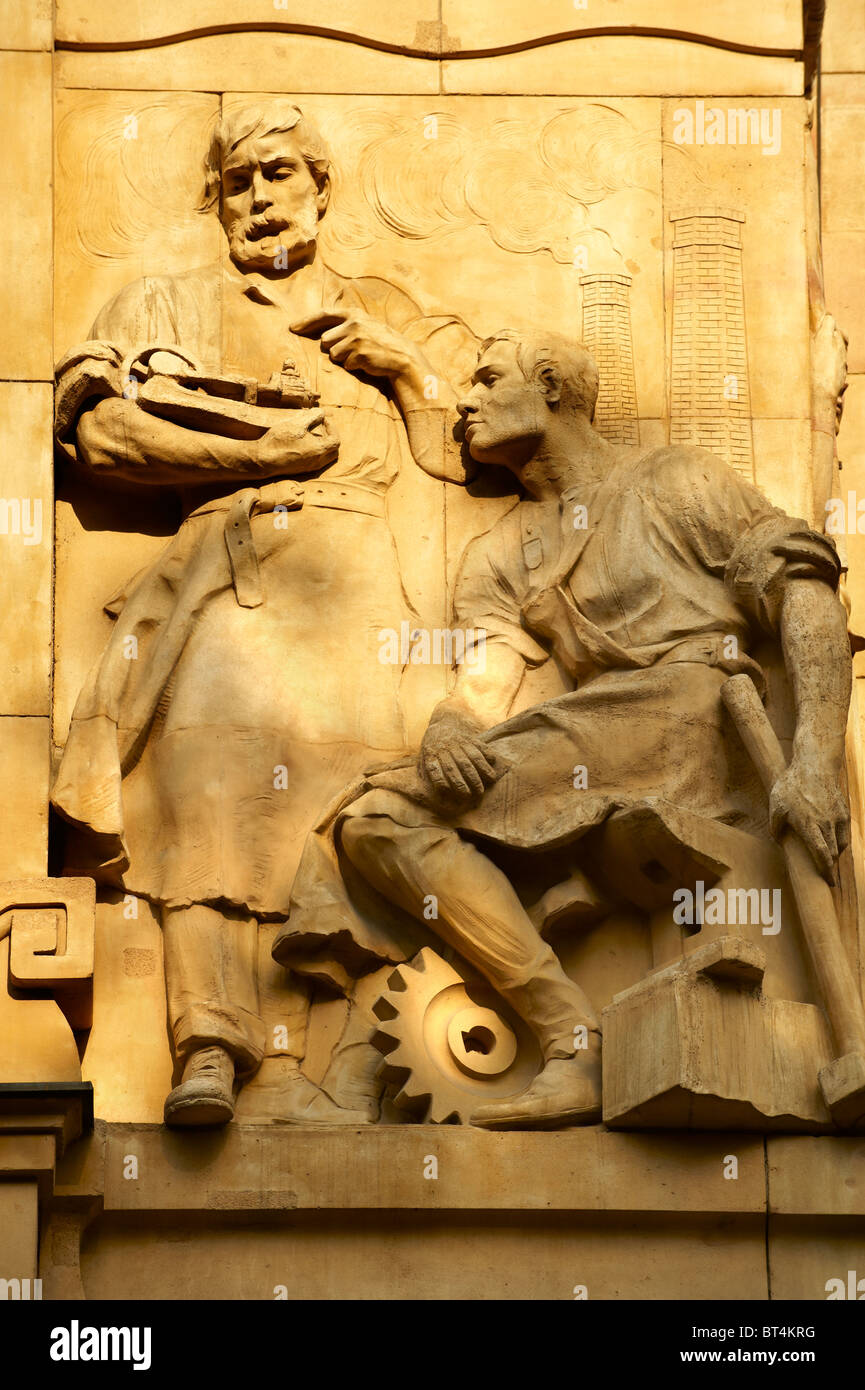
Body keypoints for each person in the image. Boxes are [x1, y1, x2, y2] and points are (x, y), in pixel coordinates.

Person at [275, 328, 852, 1129]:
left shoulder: (674, 480)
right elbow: (485, 679)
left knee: (384, 816)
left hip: (693, 714)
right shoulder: (501, 549)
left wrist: (815, 759)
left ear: (548, 388)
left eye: (484, 381)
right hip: (596, 730)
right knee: (379, 818)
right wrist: (448, 727)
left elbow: (807, 592)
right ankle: (567, 1034)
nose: (463, 404)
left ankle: (558, 1044)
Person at [51, 100, 477, 1126]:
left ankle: (320, 1063)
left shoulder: (391, 310)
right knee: (202, 795)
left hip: (365, 582)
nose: (258, 196)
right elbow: (100, 437)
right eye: (239, 181)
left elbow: (468, 459)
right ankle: (208, 1040)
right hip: (227, 572)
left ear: (321, 190)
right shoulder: (167, 303)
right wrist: (257, 456)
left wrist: (405, 369)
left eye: (279, 173)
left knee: (344, 816)